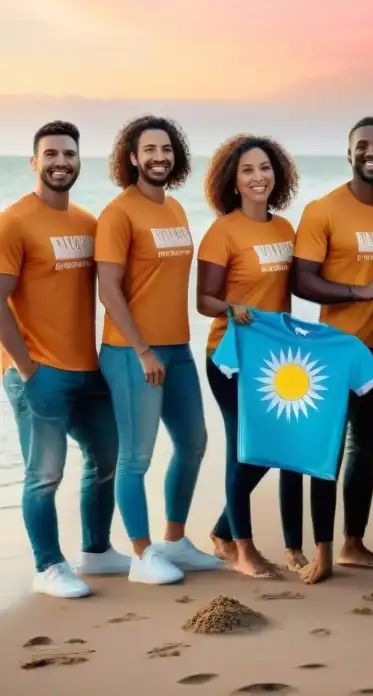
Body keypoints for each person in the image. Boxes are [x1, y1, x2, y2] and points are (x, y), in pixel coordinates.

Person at [0, 121, 130, 598]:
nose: (61, 162)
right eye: (51, 154)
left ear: (79, 161)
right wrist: (26, 368)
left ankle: (96, 551)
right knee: (45, 475)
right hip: (37, 371)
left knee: (107, 456)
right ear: (34, 162)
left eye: (69, 154)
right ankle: (48, 566)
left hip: (87, 369)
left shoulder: (88, 223)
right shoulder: (13, 222)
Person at [96, 115, 221, 585]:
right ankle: (141, 554)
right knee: (136, 457)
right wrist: (143, 349)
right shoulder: (118, 213)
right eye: (149, 149)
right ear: (132, 158)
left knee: (193, 443)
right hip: (132, 353)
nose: (159, 157)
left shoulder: (175, 209)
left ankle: (173, 541)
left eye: (166, 149)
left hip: (178, 347)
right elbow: (109, 290)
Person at [292, 116, 373, 583]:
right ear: (349, 154)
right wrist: (356, 293)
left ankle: (353, 544)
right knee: (327, 452)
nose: (372, 152)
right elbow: (301, 280)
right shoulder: (322, 210)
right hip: (335, 350)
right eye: (363, 145)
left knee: (366, 448)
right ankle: (322, 552)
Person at [196, 134, 305, 579]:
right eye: (247, 170)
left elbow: (297, 284)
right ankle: (241, 548)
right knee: (245, 451)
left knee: (288, 449)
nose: (258, 177)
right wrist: (231, 307)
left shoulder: (285, 229)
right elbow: (204, 300)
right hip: (231, 357)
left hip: (278, 359)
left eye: (264, 168)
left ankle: (286, 546)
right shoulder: (223, 231)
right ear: (233, 181)